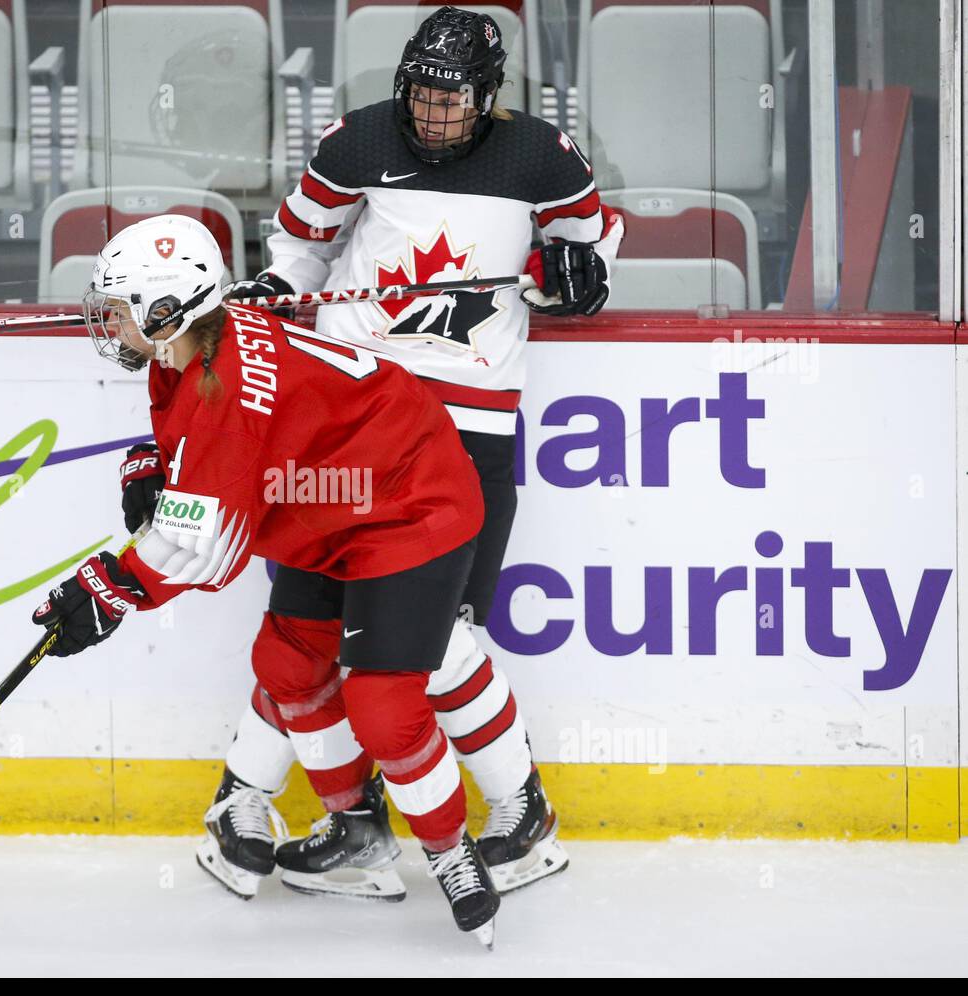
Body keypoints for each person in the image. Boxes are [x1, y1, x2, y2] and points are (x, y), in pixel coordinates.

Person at [153, 5, 625, 902]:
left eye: (452, 101)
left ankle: (516, 811)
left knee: (439, 639)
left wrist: (580, 274)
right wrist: (276, 289)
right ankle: (343, 823)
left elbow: (591, 246)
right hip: (351, 418)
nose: (432, 115)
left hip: (466, 427)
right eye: (421, 94)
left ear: (489, 99)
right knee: (305, 629)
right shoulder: (361, 139)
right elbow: (298, 244)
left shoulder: (541, 158)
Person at [33, 212, 505, 946]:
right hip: (331, 506)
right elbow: (220, 446)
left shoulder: (219, 384)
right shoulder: (194, 344)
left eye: (121, 308)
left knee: (382, 704)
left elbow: (206, 545)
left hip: (412, 504)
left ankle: (451, 850)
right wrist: (160, 465)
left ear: (167, 312)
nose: (108, 322)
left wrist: (105, 588)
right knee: (287, 664)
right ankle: (358, 829)